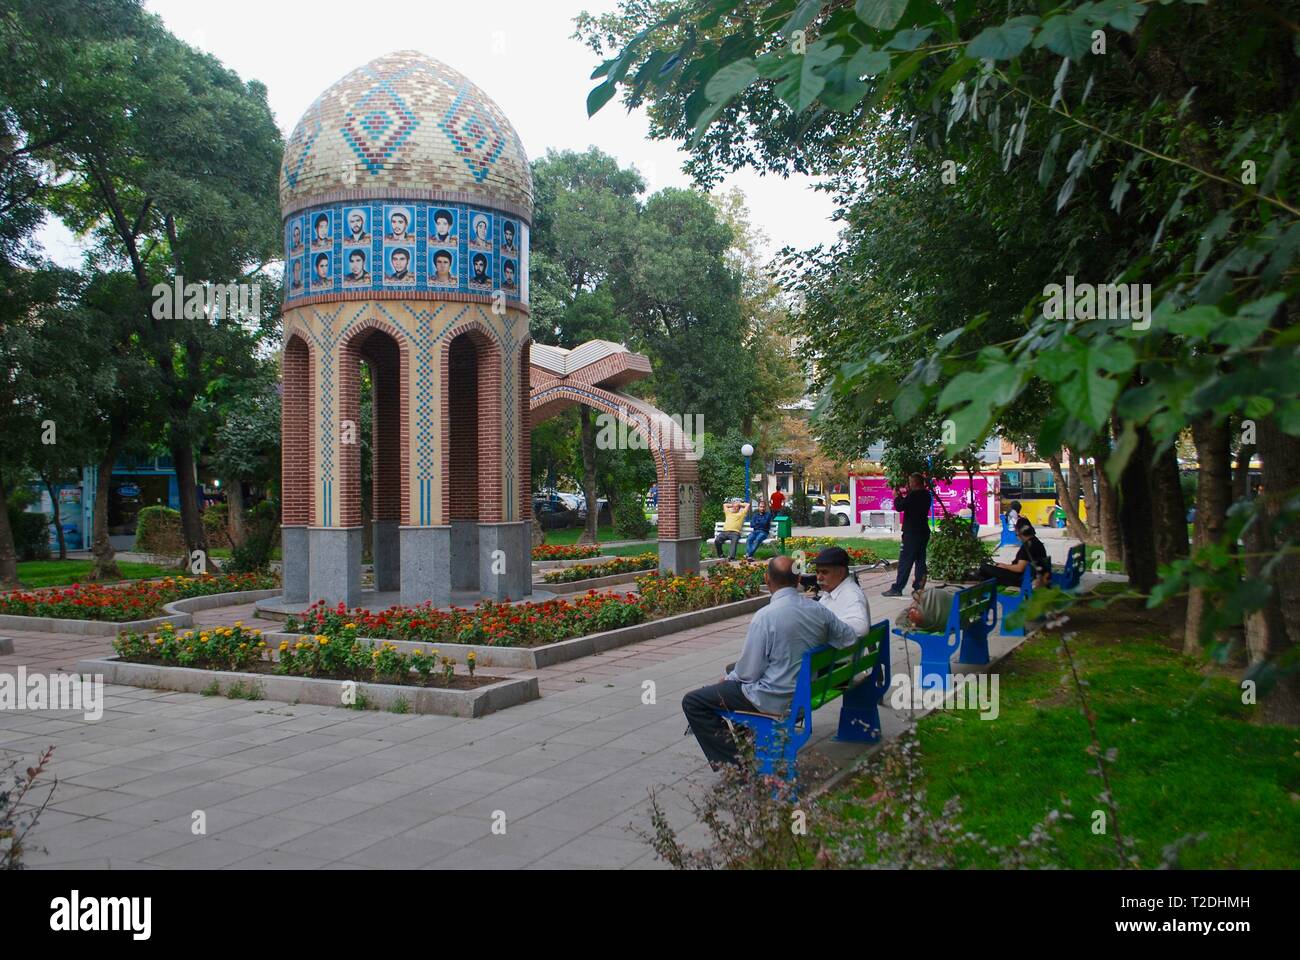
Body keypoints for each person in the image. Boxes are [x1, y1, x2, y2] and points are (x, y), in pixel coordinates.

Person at [682, 555, 859, 768]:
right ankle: (751, 745)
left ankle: (735, 765)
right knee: (732, 675)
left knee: (694, 701)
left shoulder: (765, 617)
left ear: (767, 580)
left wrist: (727, 679)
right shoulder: (819, 610)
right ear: (798, 579)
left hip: (774, 699)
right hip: (806, 694)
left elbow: (748, 674)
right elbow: (849, 638)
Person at [883, 472, 932, 597]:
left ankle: (897, 588)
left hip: (912, 533)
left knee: (905, 561)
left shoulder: (914, 495)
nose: (908, 484)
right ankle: (919, 588)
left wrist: (897, 496)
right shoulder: (926, 494)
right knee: (920, 560)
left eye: (910, 482)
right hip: (923, 531)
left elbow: (900, 507)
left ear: (915, 483)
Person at [810, 546, 869, 636]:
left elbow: (861, 628)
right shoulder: (832, 590)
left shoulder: (852, 595)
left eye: (824, 572)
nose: (819, 577)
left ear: (841, 572)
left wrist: (824, 627)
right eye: (817, 572)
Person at [978, 519, 1051, 589]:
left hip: (1019, 579)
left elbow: (1019, 568)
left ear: (1020, 532)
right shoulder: (1037, 542)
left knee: (984, 568)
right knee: (988, 570)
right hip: (1029, 576)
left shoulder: (1027, 546)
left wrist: (1005, 566)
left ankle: (984, 592)